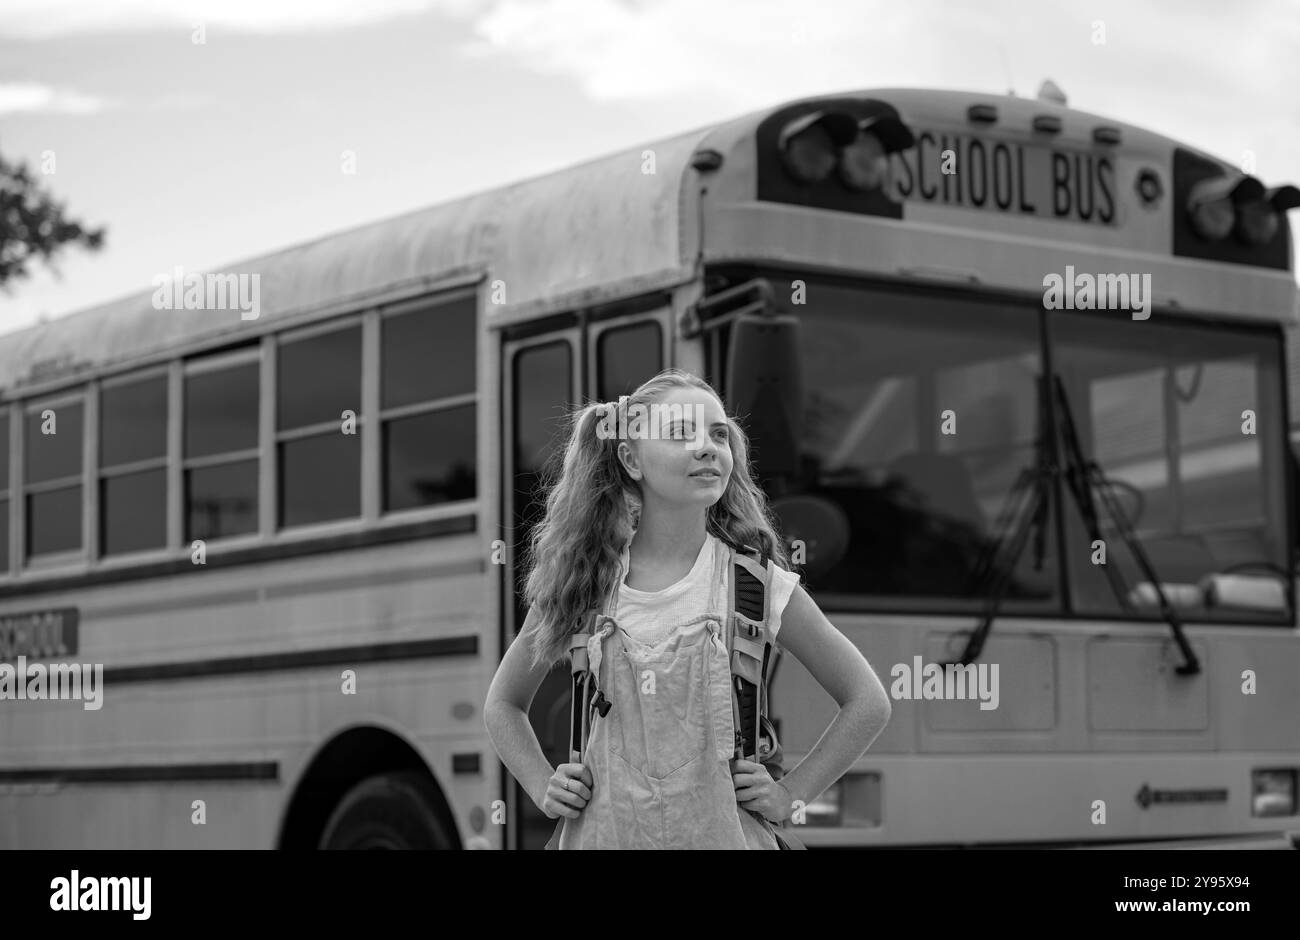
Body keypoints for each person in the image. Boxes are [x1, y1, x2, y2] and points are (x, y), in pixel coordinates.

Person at [484, 368, 892, 849]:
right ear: (631, 459)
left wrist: (791, 795)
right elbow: (503, 706)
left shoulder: (755, 586)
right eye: (681, 433)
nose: (707, 447)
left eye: (719, 434)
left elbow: (868, 702)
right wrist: (541, 784)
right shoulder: (584, 584)